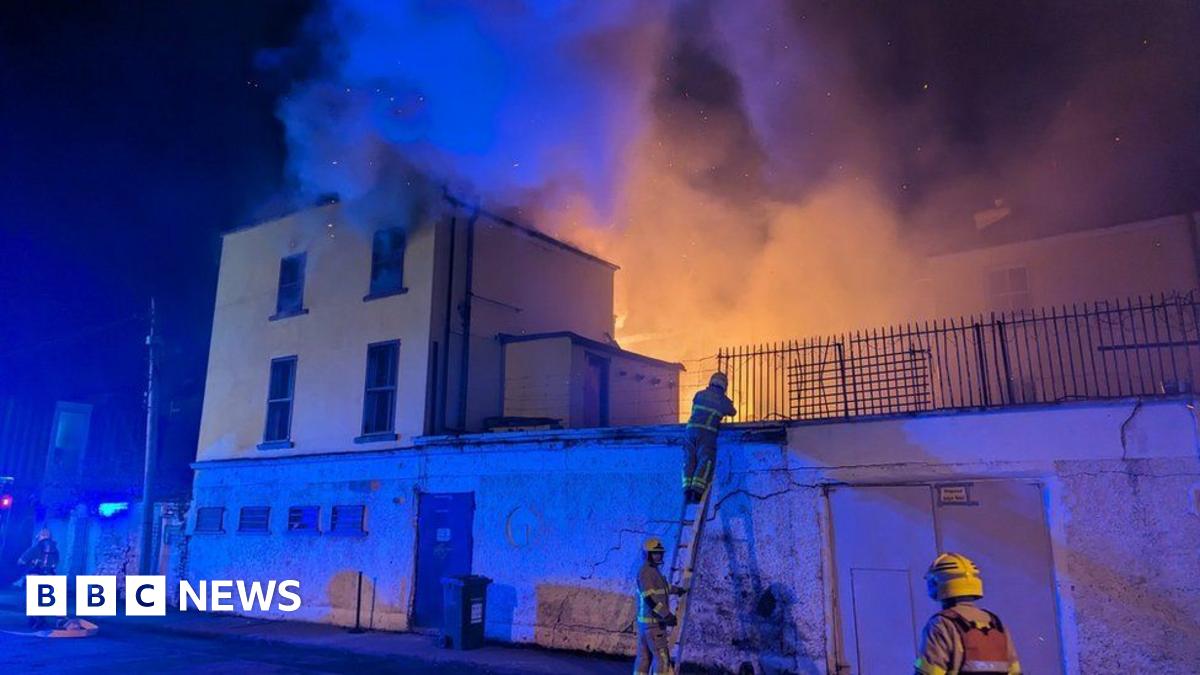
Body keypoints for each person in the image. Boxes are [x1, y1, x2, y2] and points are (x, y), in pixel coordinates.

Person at [915, 552, 1021, 675]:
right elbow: (1015, 671)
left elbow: (929, 673)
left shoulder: (941, 624)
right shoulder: (996, 624)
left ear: (936, 584)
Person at [682, 372, 736, 504]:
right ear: (724, 386)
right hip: (707, 433)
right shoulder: (722, 400)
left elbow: (695, 409)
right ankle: (697, 492)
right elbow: (732, 411)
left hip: (690, 431)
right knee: (705, 461)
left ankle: (687, 489)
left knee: (689, 460)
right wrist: (727, 399)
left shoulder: (699, 394)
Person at [634, 537, 685, 675]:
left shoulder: (651, 571)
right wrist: (666, 615)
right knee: (662, 660)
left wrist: (677, 590)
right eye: (655, 553)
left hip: (645, 625)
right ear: (648, 554)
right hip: (654, 625)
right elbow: (650, 598)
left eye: (660, 553)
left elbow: (662, 588)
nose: (659, 555)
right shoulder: (647, 572)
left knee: (644, 658)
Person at [17, 528, 59, 630]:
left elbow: (21, 561)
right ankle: (42, 618)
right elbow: (56, 563)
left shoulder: (35, 548)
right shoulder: (55, 550)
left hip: (34, 575)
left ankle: (34, 620)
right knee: (45, 598)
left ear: (39, 537)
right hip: (49, 576)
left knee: (33, 598)